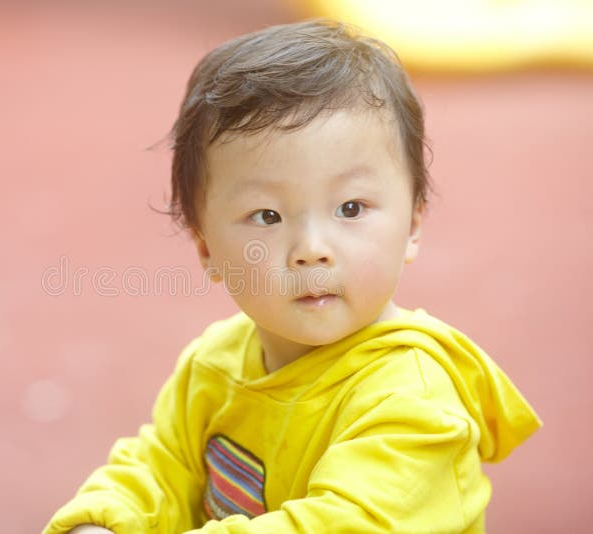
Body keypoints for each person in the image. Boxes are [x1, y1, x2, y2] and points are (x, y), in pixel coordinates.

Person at [43, 20, 541, 533]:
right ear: (206, 246)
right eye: (268, 217)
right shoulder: (216, 366)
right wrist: (103, 521)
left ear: (413, 224)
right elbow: (160, 468)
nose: (311, 250)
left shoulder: (414, 400)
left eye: (350, 207)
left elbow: (337, 525)